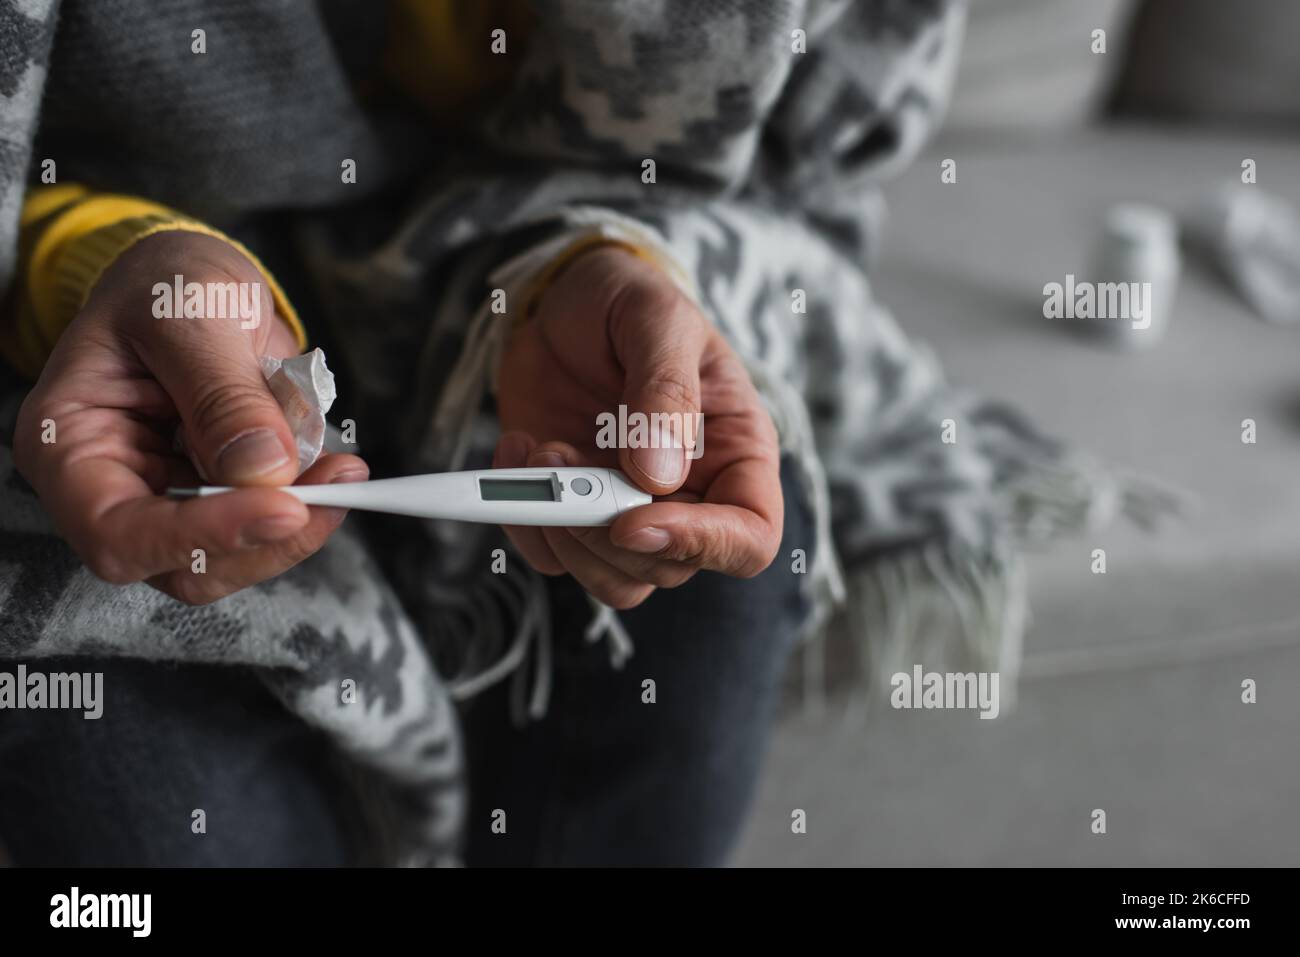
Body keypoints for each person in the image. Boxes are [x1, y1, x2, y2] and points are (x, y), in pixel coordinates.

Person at [0, 0, 988, 865]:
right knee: (111, 761)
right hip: (103, 360)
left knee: (703, 575)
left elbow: (797, 179)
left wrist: (589, 267)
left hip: (553, 338)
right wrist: (108, 262)